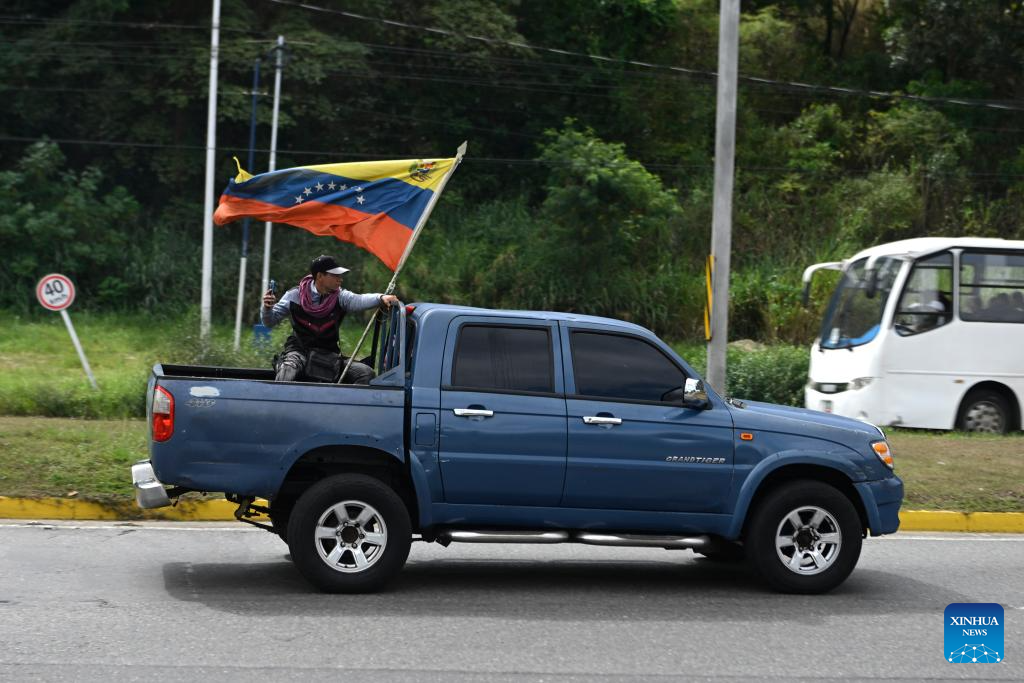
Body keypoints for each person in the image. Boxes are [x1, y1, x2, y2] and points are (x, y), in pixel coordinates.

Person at [261, 255, 399, 383]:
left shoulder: (340, 296)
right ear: (320, 276)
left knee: (366, 373)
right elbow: (269, 321)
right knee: (288, 370)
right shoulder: (294, 295)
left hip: (329, 355)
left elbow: (359, 299)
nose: (340, 279)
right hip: (298, 352)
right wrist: (267, 308)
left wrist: (380, 298)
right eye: (335, 275)